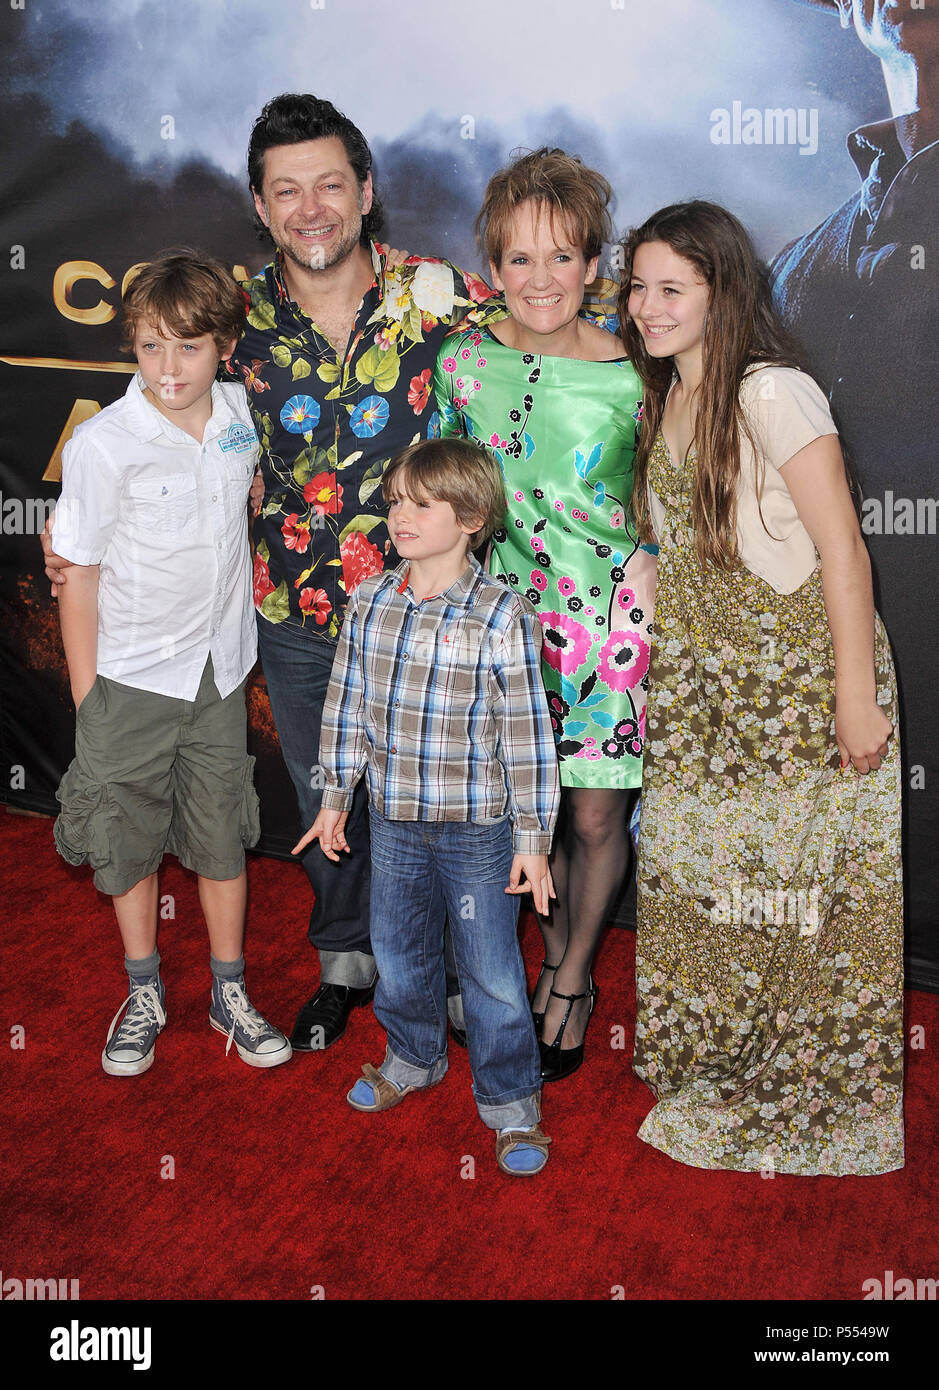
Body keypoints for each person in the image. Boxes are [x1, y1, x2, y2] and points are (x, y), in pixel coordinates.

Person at [43, 94, 494, 1053]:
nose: (311, 207)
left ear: (366, 192)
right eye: (286, 190)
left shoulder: (441, 295)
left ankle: (451, 973)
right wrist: (76, 537)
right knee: (321, 792)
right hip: (292, 613)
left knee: (440, 797)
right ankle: (345, 964)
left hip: (427, 612)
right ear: (258, 205)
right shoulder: (231, 322)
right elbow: (154, 425)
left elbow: (535, 355)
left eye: (330, 183)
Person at [619, 200, 904, 1175]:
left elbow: (842, 549)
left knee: (791, 899)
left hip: (799, 677)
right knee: (715, 891)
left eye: (672, 288)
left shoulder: (773, 391)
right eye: (639, 286)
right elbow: (685, 543)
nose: (647, 306)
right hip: (708, 681)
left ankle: (795, 1099)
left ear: (721, 291)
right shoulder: (670, 394)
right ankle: (725, 1069)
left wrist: (855, 697)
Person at [433, 149, 655, 1083]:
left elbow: (678, 495)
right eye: (519, 260)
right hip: (503, 631)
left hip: (608, 629)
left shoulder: (640, 373)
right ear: (492, 266)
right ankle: (530, 950)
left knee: (597, 818)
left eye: (561, 258)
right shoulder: (463, 364)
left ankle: (569, 980)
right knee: (526, 809)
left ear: (594, 266)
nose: (540, 281)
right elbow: (444, 496)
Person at [51, 250, 291, 1077]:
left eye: (188, 347)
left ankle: (230, 991)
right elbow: (75, 576)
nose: (168, 368)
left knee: (223, 837)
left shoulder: (239, 417)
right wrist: (90, 704)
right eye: (150, 347)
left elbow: (253, 499)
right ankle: (144, 990)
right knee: (127, 845)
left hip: (221, 673)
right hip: (129, 680)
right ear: (132, 347)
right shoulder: (103, 445)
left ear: (224, 345)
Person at [293, 438, 559, 1175]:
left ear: (472, 517)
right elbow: (345, 706)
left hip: (478, 830)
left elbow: (529, 738)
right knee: (399, 956)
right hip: (395, 822)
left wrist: (531, 841)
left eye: (422, 504)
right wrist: (335, 795)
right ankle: (412, 1056)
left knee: (492, 974)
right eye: (395, 502)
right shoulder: (370, 598)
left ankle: (510, 1103)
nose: (399, 517)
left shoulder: (503, 615)